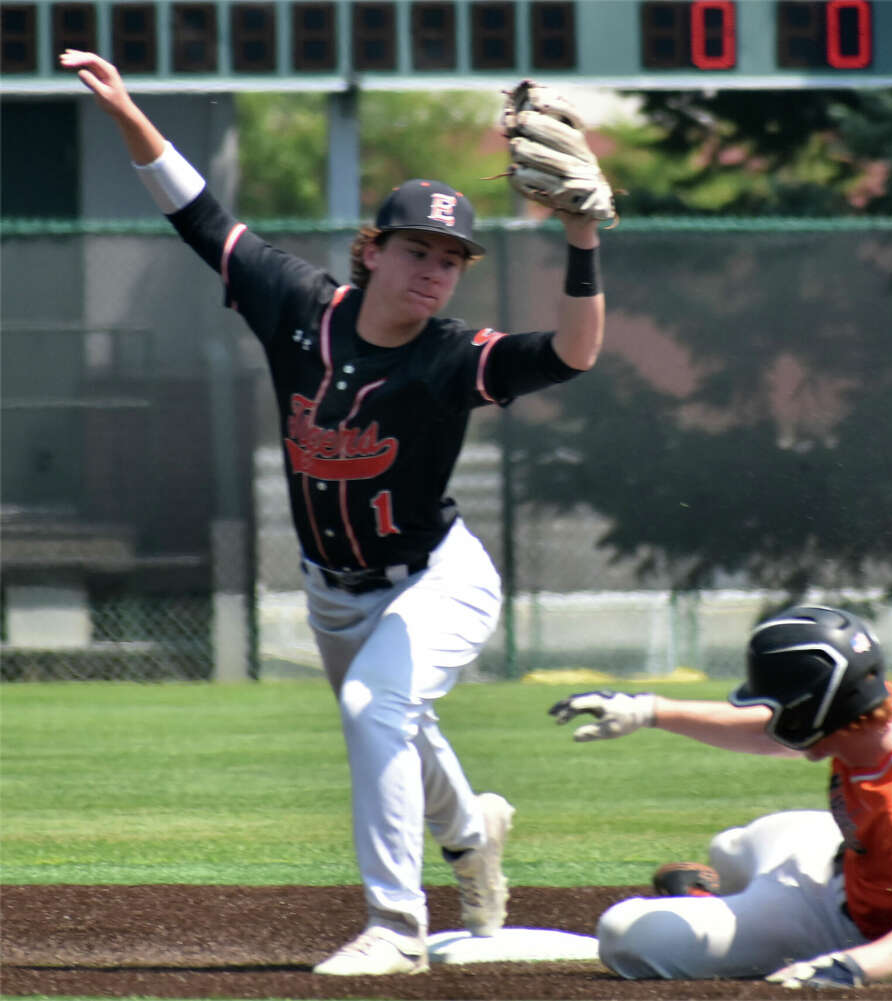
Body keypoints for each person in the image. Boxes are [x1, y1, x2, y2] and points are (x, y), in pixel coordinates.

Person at [63, 49, 605, 977]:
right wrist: (126, 111)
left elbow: (572, 355)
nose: (434, 271)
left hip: (439, 577)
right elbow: (200, 216)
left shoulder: (448, 354)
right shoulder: (297, 306)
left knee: (371, 704)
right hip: (334, 592)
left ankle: (396, 926)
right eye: (416, 250)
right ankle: (475, 833)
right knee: (393, 723)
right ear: (372, 249)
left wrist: (587, 243)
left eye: (450, 259)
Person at [549, 605, 892, 988]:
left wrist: (841, 969)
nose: (772, 718)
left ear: (817, 712)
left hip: (854, 928)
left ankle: (708, 904)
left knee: (623, 935)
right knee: (730, 847)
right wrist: (645, 711)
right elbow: (777, 732)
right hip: (848, 858)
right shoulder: (884, 710)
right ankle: (719, 899)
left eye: (784, 709)